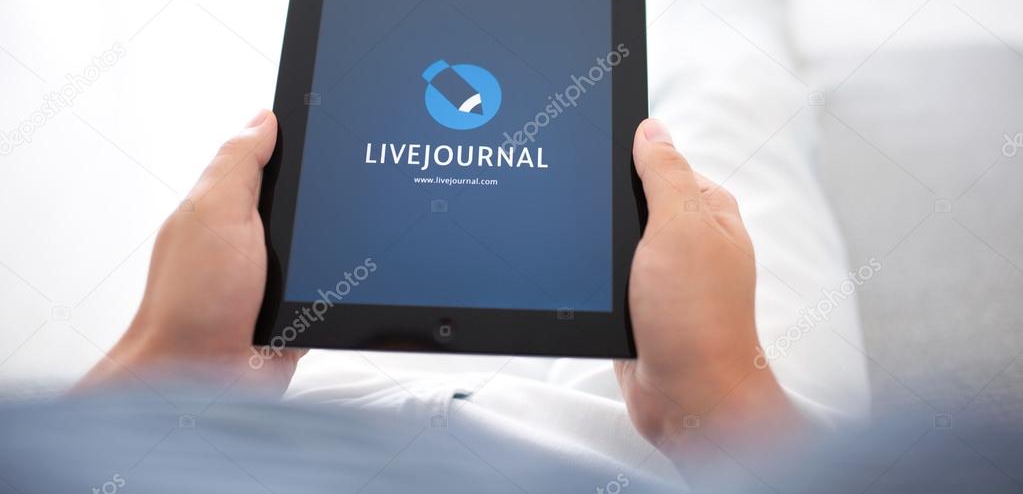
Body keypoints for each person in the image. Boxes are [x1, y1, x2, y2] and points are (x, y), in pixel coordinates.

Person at [49, 111, 805, 491]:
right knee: (729, 147)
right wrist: (711, 395)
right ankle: (728, 3)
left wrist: (172, 369)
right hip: (646, 457)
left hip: (302, 424)